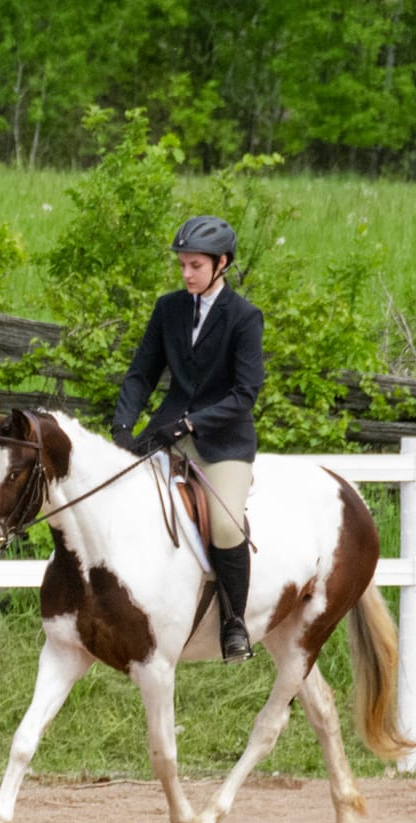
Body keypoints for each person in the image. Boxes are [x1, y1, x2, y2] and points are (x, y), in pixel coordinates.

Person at [111, 215, 265, 662]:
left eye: (194, 265)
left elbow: (244, 394)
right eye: (181, 265)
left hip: (223, 441)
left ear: (221, 263)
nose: (185, 274)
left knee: (223, 523)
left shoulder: (243, 317)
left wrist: (194, 424)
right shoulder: (169, 309)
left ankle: (234, 623)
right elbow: (142, 373)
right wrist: (123, 427)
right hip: (166, 430)